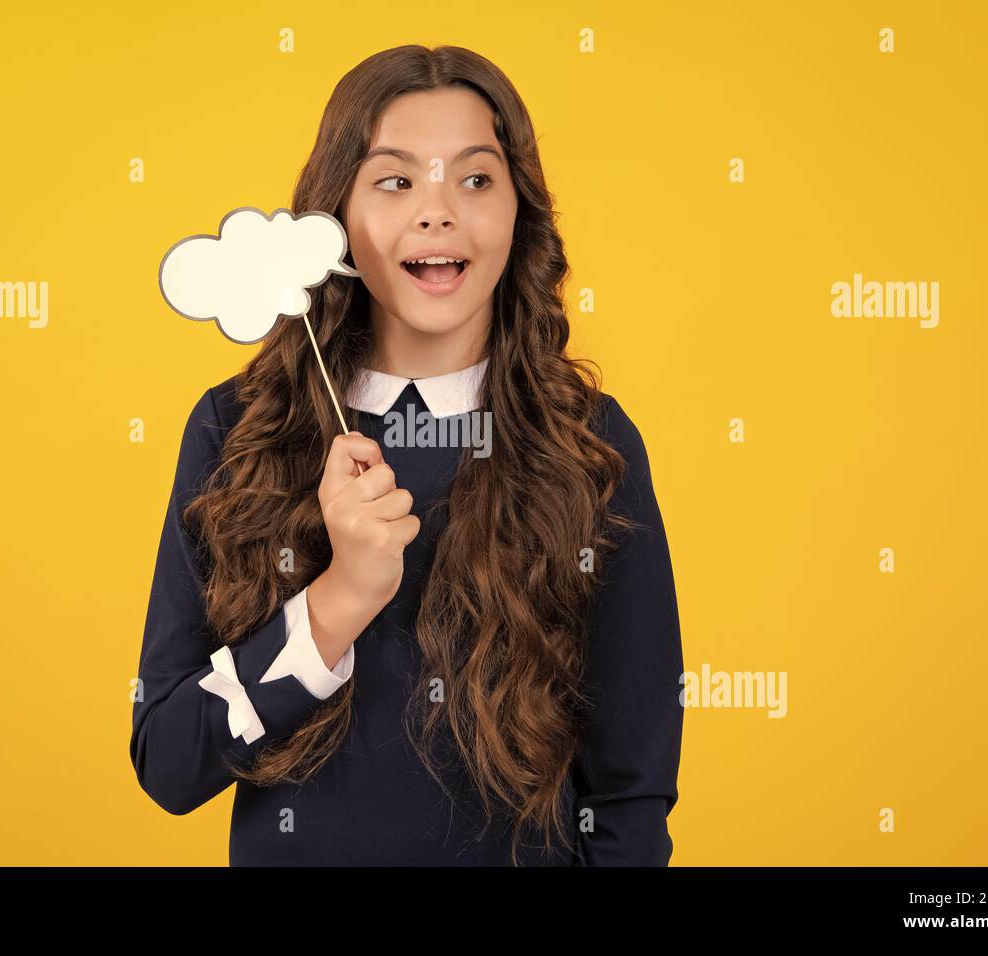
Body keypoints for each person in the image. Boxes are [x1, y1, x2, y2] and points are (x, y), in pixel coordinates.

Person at [130, 44, 683, 866]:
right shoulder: (233, 430)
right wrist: (337, 601)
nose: (438, 213)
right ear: (335, 219)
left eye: (475, 178)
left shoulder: (591, 445)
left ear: (519, 214)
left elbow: (630, 798)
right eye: (396, 181)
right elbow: (170, 763)